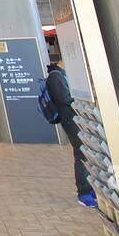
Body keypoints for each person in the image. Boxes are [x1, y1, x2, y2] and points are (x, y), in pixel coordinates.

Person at [43, 60, 95, 207]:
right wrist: (82, 95)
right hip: (70, 120)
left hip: (74, 118)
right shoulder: (55, 76)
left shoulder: (60, 75)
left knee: (84, 153)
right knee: (81, 153)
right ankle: (84, 192)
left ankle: (89, 188)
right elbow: (64, 98)